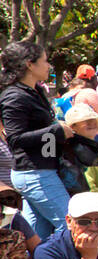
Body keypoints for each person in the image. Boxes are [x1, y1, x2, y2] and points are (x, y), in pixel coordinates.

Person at [0, 42, 74, 238]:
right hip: (34, 173)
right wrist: (56, 131)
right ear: (29, 65)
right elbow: (15, 139)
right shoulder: (14, 96)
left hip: (43, 169)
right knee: (73, 226)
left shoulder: (35, 91)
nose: (49, 65)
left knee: (37, 238)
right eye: (45, 60)